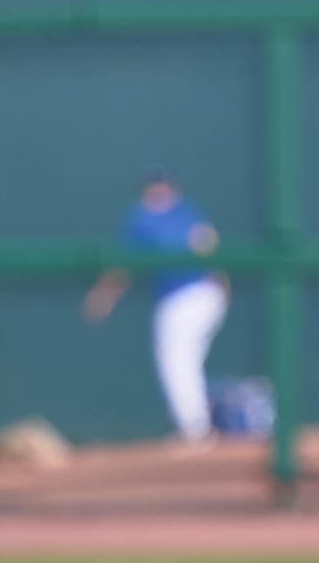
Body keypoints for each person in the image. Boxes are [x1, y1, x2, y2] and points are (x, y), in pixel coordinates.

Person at [82, 170, 229, 447]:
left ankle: (195, 430)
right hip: (203, 296)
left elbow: (207, 243)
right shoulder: (161, 214)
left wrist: (103, 296)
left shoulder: (160, 215)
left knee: (177, 360)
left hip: (190, 296)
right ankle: (197, 425)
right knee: (186, 359)